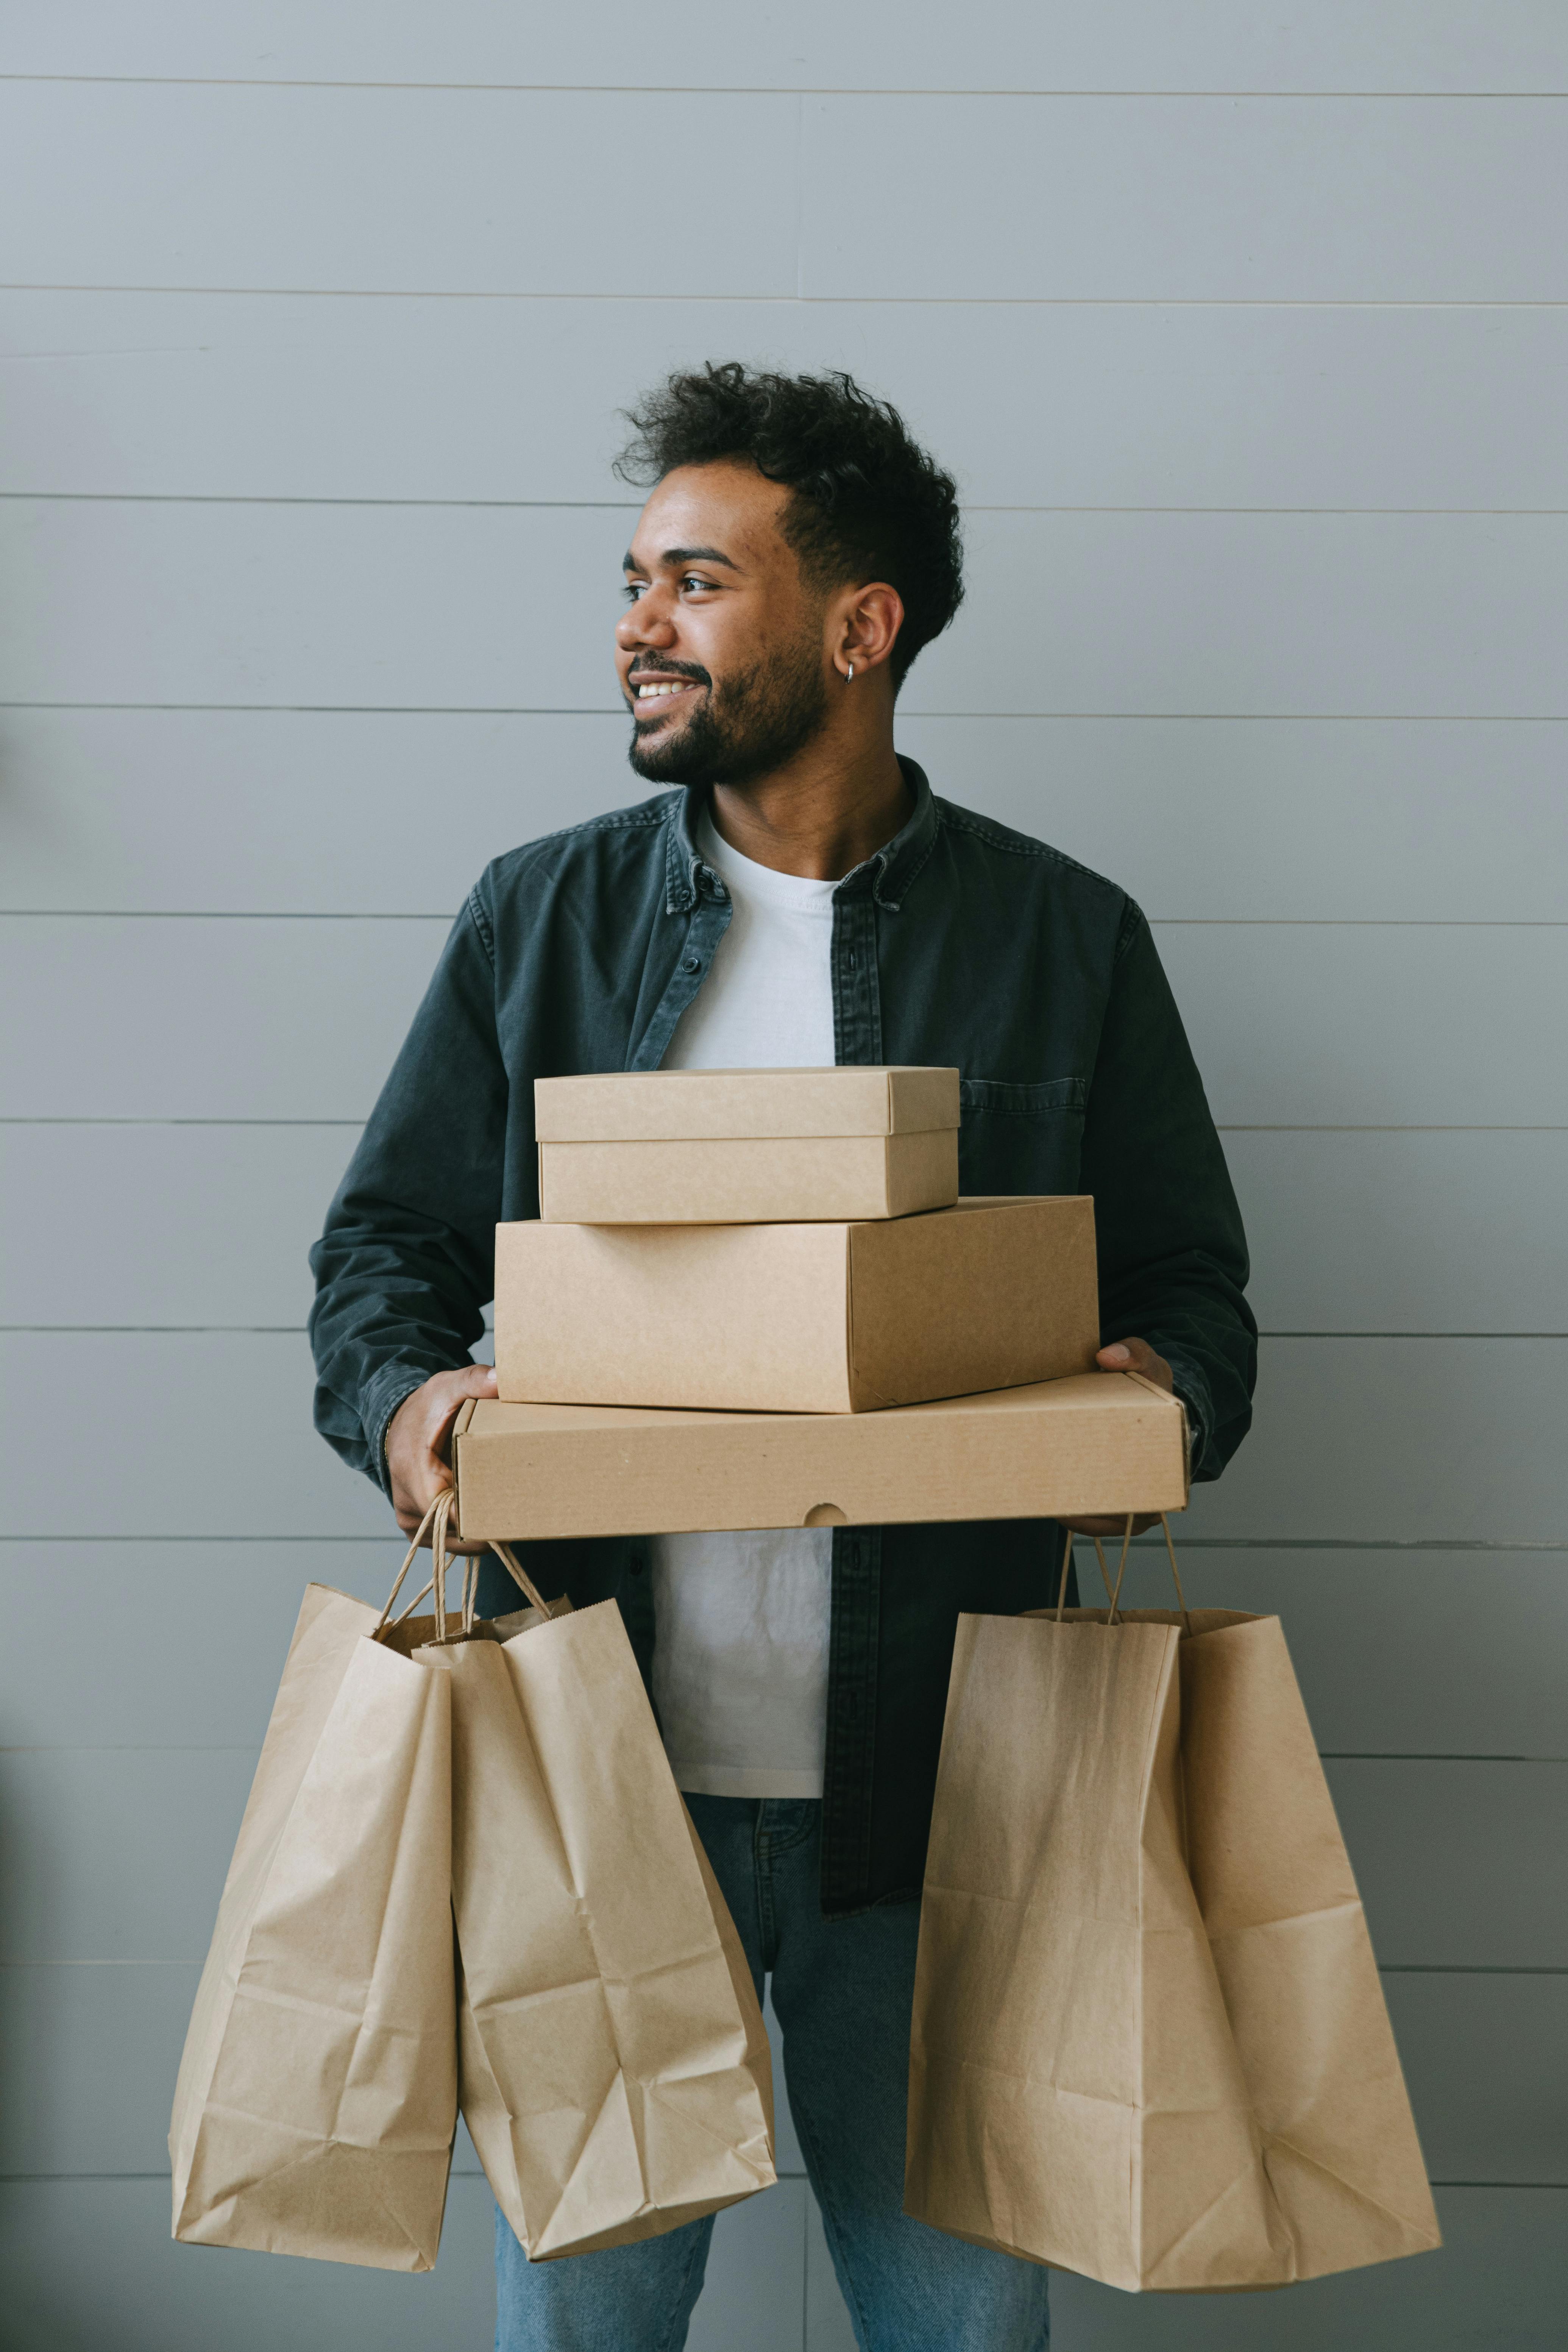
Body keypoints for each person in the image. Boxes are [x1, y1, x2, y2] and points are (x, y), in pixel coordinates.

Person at [309, 363, 1255, 2351]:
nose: (637, 622)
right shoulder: (542, 919)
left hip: (941, 1801)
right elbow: (377, 1262)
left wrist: (1145, 1400)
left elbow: (1198, 1297)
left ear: (857, 624)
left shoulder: (1063, 939)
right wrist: (415, 1404)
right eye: (633, 579)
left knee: (963, 2333)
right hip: (603, 1768)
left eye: (693, 579)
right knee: (581, 2335)